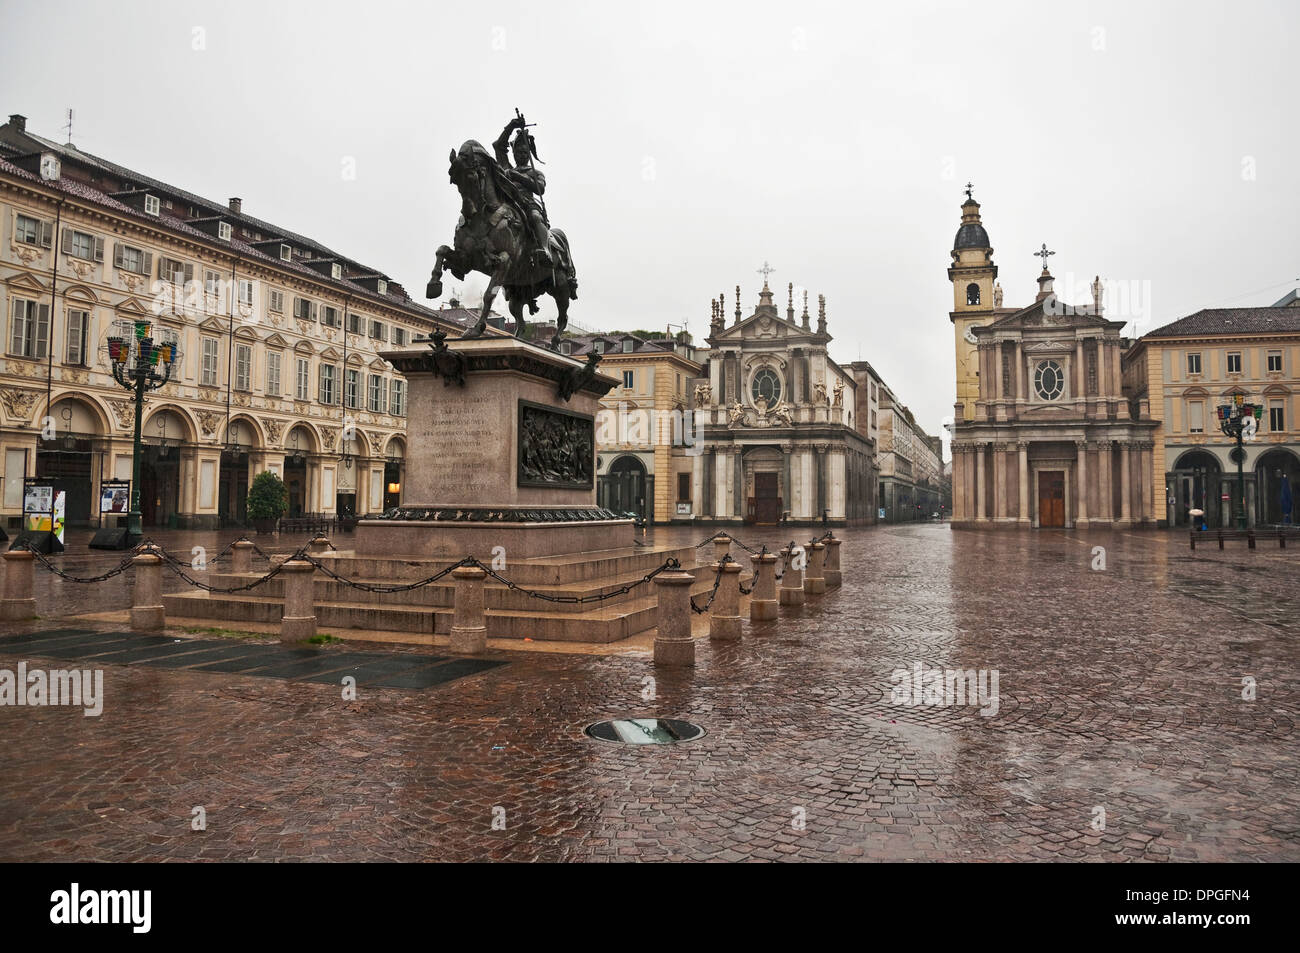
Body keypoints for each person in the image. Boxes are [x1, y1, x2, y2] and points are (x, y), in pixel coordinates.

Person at [493, 116, 552, 269]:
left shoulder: (535, 172)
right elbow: (499, 146)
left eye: (525, 152)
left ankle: (545, 250)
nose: (522, 155)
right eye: (519, 152)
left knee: (534, 217)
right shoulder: (506, 166)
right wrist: (511, 126)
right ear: (514, 153)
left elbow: (541, 188)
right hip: (508, 204)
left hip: (528, 203)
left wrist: (518, 176)